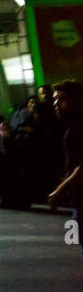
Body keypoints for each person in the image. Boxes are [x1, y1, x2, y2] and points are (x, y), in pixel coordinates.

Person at [48, 81, 83, 247]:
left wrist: (58, 191)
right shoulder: (70, 128)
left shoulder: (78, 129)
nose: (56, 104)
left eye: (62, 99)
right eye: (55, 100)